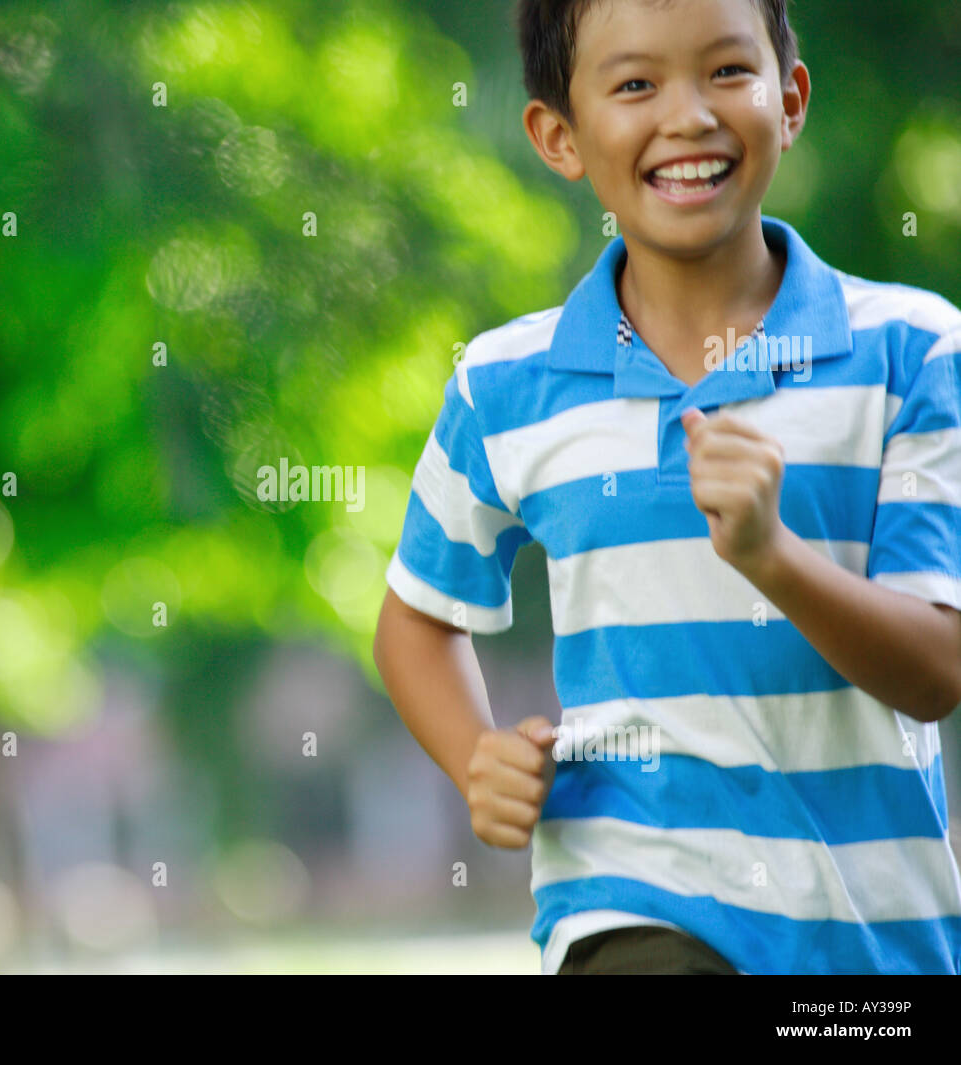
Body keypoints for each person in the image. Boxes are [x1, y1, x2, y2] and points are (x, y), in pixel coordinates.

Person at [373, 0, 961, 975]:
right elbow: (416, 616)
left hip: (874, 951)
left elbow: (936, 669)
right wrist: (473, 753)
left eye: (727, 72)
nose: (686, 116)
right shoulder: (505, 382)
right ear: (558, 135)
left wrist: (774, 560)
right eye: (636, 84)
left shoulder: (911, 351)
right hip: (629, 909)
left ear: (790, 100)